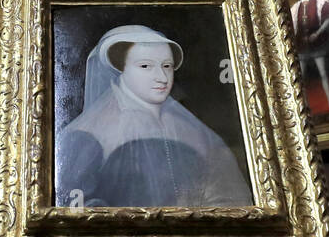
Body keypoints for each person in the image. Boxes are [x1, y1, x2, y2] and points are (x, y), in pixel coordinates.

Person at [56, 25, 252, 208]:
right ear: (121, 69)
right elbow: (77, 210)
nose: (162, 77)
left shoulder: (189, 126)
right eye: (145, 66)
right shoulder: (86, 134)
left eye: (167, 66)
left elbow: (230, 196)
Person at [290, 0, 329, 115]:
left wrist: (317, 34)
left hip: (318, 44)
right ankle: (303, 108)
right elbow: (292, 26)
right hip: (301, 47)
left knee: (324, 74)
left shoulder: (321, 2)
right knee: (301, 78)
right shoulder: (296, 7)